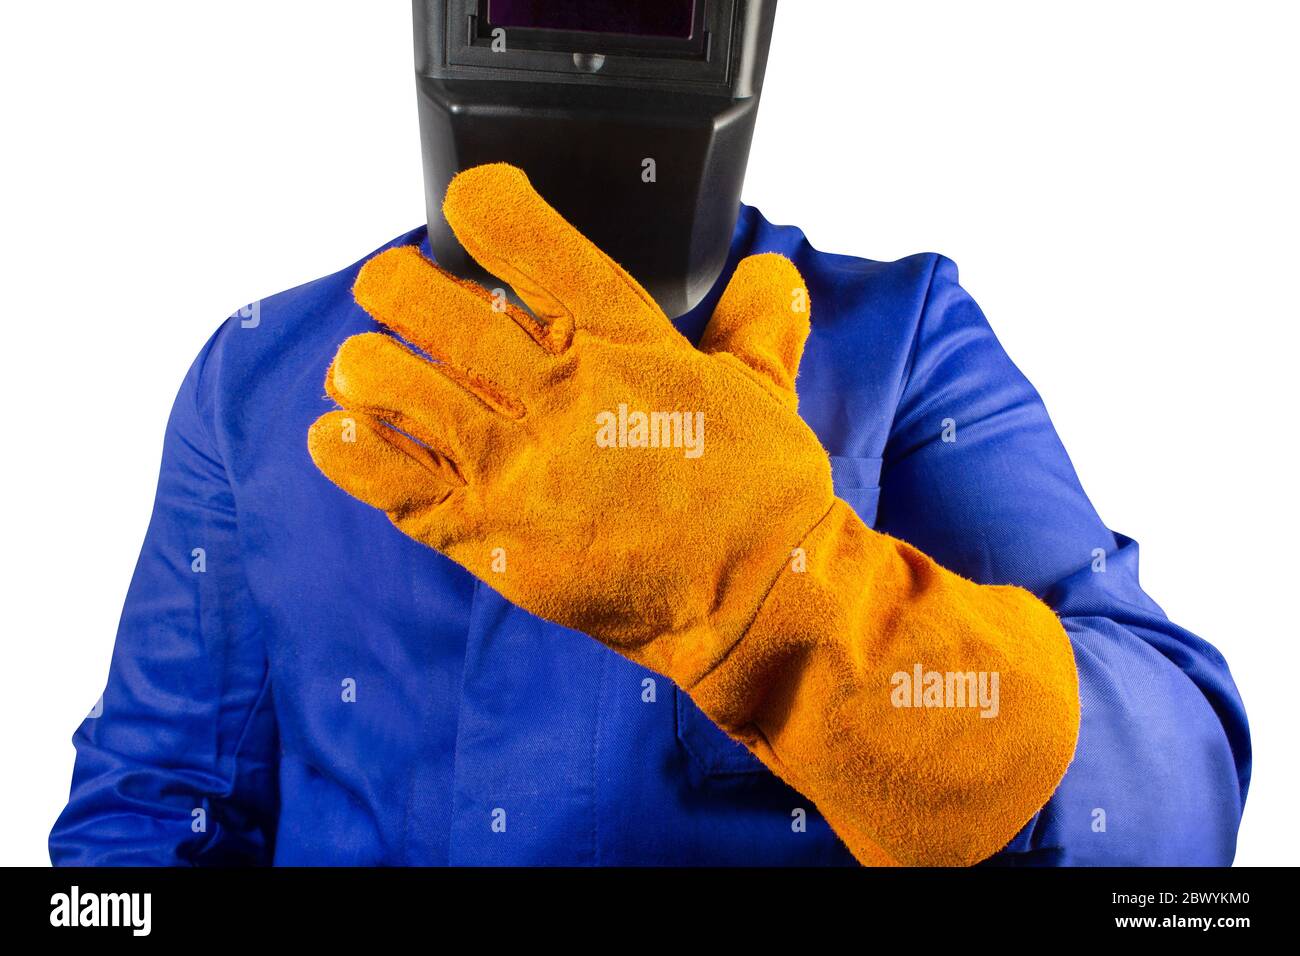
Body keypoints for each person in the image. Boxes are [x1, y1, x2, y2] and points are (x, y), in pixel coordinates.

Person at [51, 0, 1248, 866]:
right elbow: (149, 817)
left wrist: (791, 599)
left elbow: (1171, 793)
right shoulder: (264, 375)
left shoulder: (898, 342)